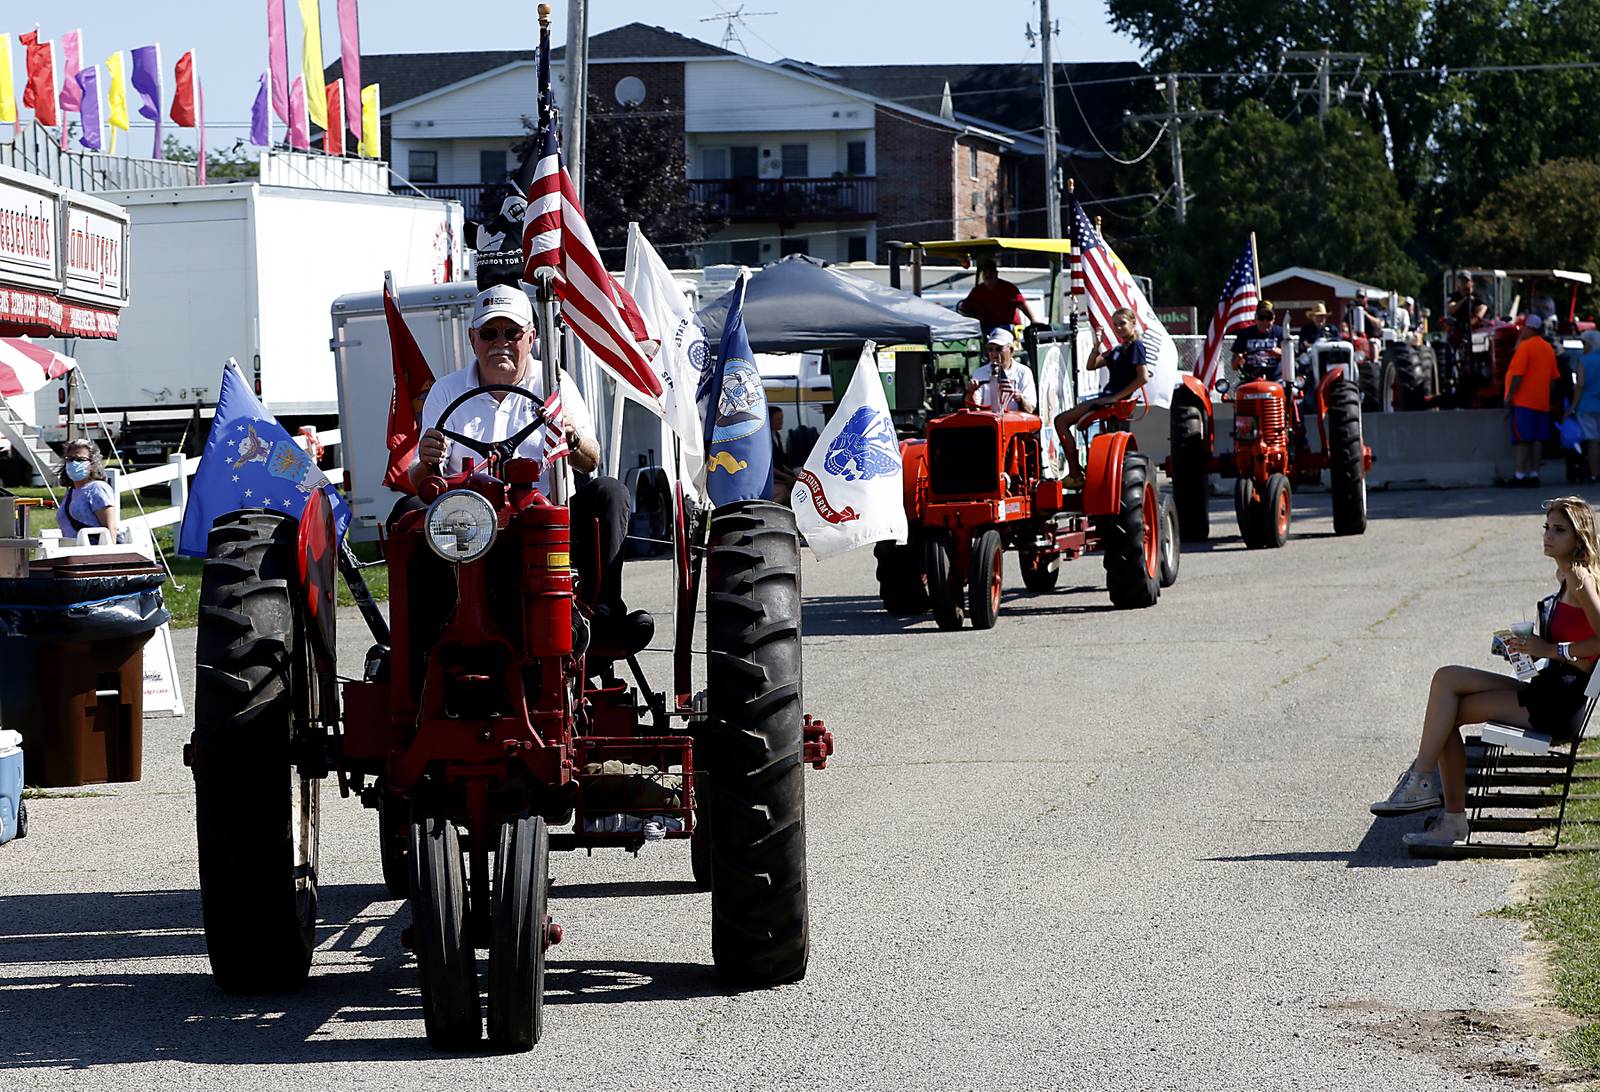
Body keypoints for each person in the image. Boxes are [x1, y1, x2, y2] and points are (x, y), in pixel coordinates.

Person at [408, 284, 651, 651]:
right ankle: (425, 639)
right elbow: (420, 478)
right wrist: (427, 460)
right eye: (489, 333)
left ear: (532, 337)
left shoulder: (553, 383)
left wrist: (570, 437)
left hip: (546, 522)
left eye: (512, 333)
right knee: (409, 514)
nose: (500, 342)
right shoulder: (446, 391)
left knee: (609, 491)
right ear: (473, 339)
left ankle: (601, 613)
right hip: (471, 531)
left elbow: (591, 457)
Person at [1371, 497, 1600, 847]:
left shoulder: (1581, 576)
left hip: (1558, 703)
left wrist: (1552, 650)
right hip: (1548, 686)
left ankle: (1443, 810)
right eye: (1546, 528)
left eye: (1559, 530)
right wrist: (1526, 649)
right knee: (1446, 678)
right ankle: (1424, 784)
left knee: (1445, 717)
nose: (1548, 536)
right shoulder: (1567, 575)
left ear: (1579, 535)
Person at [1053, 307, 1148, 487]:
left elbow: (1143, 377)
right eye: (1115, 325)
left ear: (1133, 324)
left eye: (1122, 324)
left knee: (1061, 421)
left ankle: (1075, 473)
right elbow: (1091, 365)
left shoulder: (1136, 346)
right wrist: (1096, 346)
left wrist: (1115, 398)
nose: (1119, 328)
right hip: (1106, 399)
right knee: (1063, 421)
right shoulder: (1119, 349)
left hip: (1111, 400)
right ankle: (1078, 472)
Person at [1504, 313, 1561, 486]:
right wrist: (1546, 396)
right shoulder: (1548, 348)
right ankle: (1534, 474)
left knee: (1522, 440)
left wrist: (1510, 396)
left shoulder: (1525, 347)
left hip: (1523, 402)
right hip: (1541, 403)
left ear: (1530, 328)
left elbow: (1518, 375)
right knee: (1538, 440)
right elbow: (1553, 378)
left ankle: (1520, 475)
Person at [55, 438, 119, 542]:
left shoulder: (97, 489)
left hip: (92, 553)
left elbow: (110, 529)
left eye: (80, 460)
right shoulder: (71, 492)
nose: (74, 463)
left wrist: (108, 555)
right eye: (70, 459)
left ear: (92, 464)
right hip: (72, 551)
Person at [957, 259, 1038, 332]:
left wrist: (1033, 320)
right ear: (983, 275)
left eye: (991, 273)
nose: (988, 276)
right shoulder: (977, 291)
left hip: (1009, 327)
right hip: (987, 326)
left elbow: (1022, 304)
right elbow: (965, 307)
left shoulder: (1008, 288)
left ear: (996, 273)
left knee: (998, 332)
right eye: (986, 273)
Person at [1570, 331, 1600, 483]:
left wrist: (1572, 406)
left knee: (1593, 441)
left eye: (1585, 344)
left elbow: (1580, 385)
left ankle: (1595, 474)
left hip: (1587, 406)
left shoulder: (1584, 361)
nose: (1583, 347)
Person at [1231, 302, 1284, 380]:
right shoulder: (1245, 334)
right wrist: (1239, 358)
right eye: (1261, 318)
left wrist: (1281, 353)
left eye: (1269, 318)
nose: (1265, 322)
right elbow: (1234, 366)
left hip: (1276, 380)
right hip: (1251, 379)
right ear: (1255, 318)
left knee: (1292, 391)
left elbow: (1291, 358)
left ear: (1274, 319)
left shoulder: (1280, 332)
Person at [1446, 273, 1488, 341]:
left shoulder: (1478, 295)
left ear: (1471, 283)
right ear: (1458, 284)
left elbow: (1483, 308)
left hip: (1476, 329)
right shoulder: (1454, 296)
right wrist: (1464, 300)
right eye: (1462, 282)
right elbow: (1451, 308)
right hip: (1459, 329)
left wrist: (1473, 322)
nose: (1464, 284)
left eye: (1466, 281)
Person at [769, 405, 797, 505]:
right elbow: (771, 466)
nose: (781, 422)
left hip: (779, 474)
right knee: (784, 491)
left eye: (781, 418)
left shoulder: (777, 435)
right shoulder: (766, 439)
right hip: (772, 477)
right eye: (778, 419)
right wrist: (787, 478)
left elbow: (780, 463)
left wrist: (791, 473)